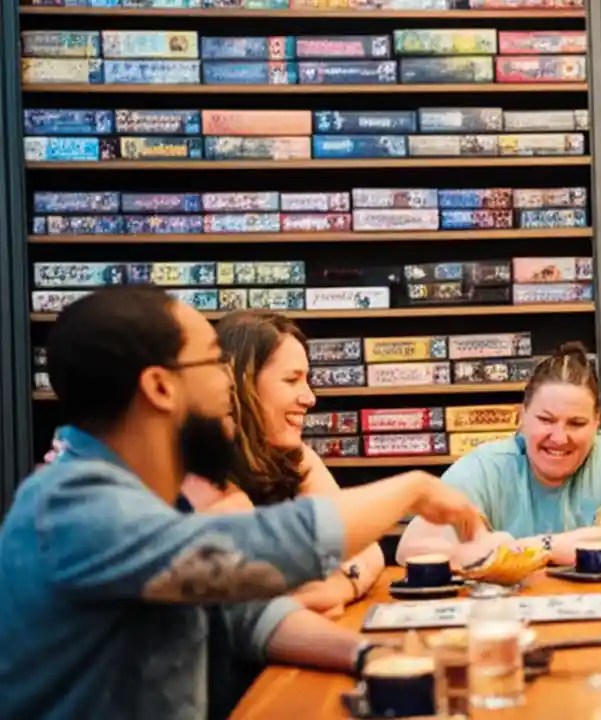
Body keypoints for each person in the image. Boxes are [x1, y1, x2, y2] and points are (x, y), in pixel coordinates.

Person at [0, 286, 482, 719]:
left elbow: (247, 615)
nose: (230, 381)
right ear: (159, 387)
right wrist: (412, 488)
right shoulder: (71, 505)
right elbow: (249, 554)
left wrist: (369, 657)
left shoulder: (140, 496)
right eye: (212, 361)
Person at [179, 311, 385, 617]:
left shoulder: (294, 456)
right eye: (292, 380)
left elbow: (366, 546)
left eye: (307, 380)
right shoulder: (200, 473)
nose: (310, 397)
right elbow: (268, 586)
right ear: (241, 383)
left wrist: (341, 585)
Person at [397, 342, 601, 566]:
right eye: (546, 420)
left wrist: (536, 548)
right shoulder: (485, 466)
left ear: (598, 421)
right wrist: (477, 554)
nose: (560, 438)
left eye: (576, 423)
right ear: (522, 416)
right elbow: (411, 550)